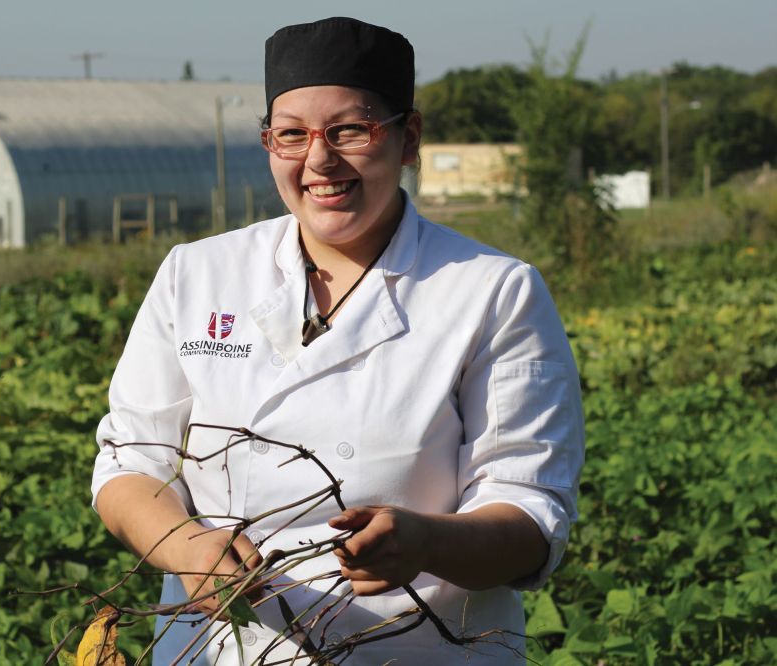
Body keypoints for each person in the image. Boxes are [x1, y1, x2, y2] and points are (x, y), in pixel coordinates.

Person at [92, 16, 584, 665]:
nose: (319, 159)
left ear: (408, 138)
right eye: (290, 134)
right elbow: (131, 464)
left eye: (350, 130)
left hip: (417, 650)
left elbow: (528, 514)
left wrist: (427, 543)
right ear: (268, 142)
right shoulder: (199, 274)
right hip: (220, 649)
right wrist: (185, 547)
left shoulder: (491, 292)